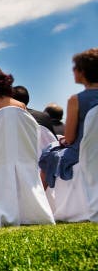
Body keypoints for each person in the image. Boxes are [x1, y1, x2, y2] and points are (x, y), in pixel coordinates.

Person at [39, 48, 98, 187]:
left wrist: (64, 140)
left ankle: (43, 198)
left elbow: (70, 138)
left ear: (83, 72)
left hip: (81, 155)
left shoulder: (75, 100)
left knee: (48, 155)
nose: (73, 70)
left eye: (75, 67)